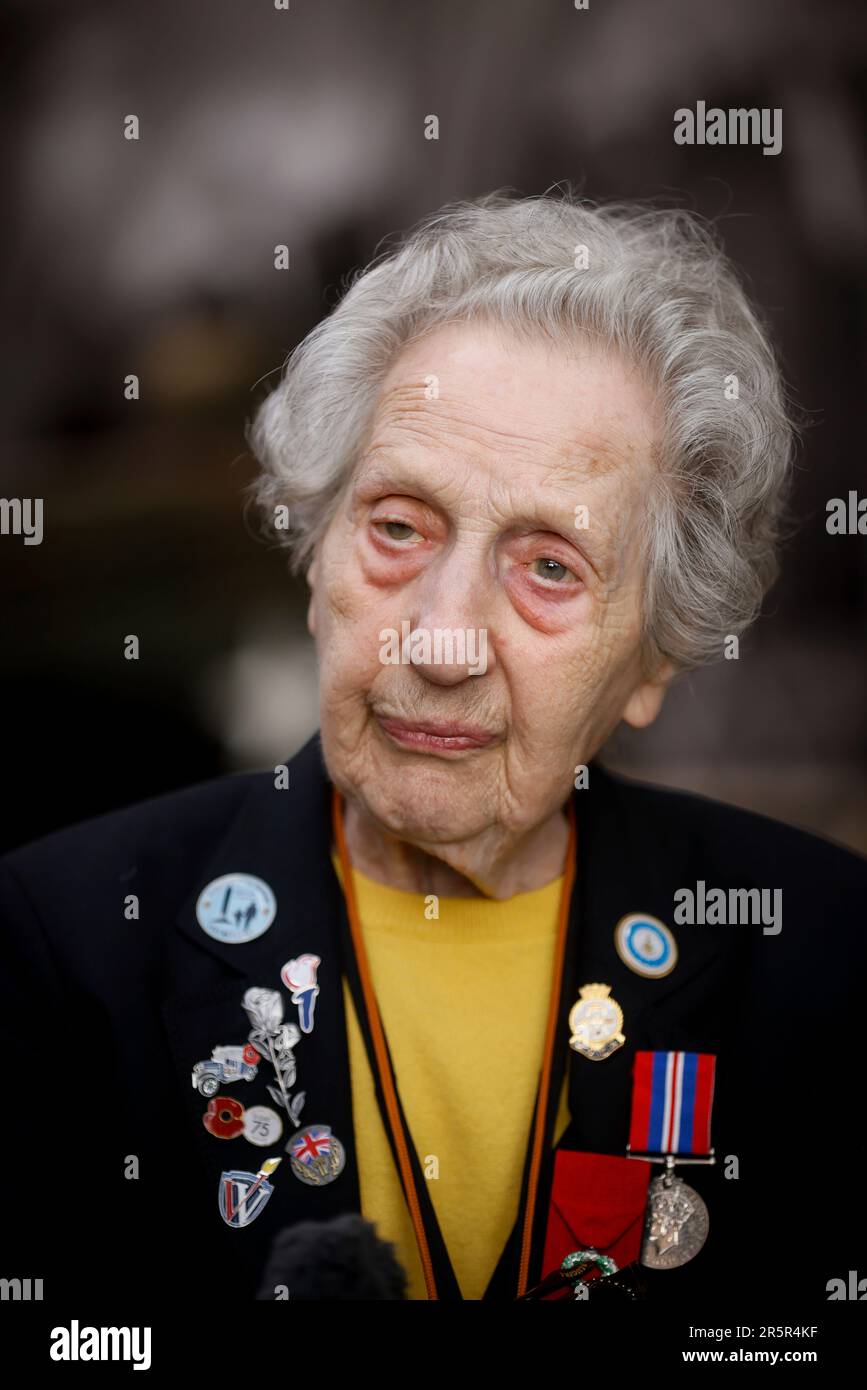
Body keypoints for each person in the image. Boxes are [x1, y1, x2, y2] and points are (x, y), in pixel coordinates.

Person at [1, 192, 864, 1304]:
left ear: (658, 654)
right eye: (399, 526)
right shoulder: (55, 948)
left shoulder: (830, 956)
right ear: (315, 562)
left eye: (550, 565)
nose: (444, 638)